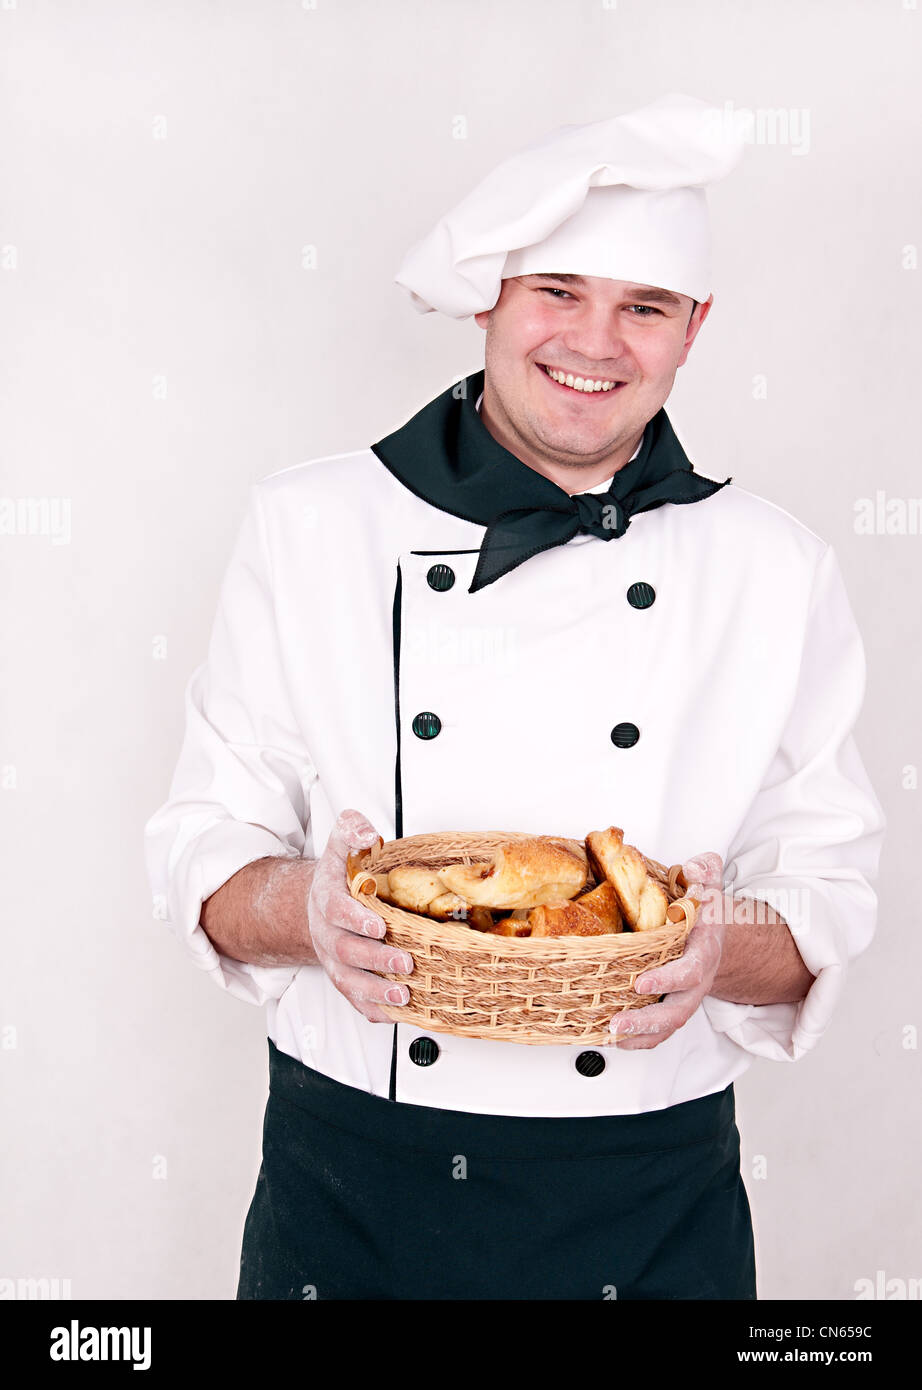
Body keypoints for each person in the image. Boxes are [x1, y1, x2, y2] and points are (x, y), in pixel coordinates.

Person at [144, 93, 886, 1301]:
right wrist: (311, 912)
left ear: (693, 330)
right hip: (354, 1182)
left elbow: (823, 900)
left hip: (647, 1191)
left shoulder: (775, 568)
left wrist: (714, 943)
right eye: (557, 292)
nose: (596, 342)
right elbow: (205, 854)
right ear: (491, 297)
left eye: (644, 306)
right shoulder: (311, 525)